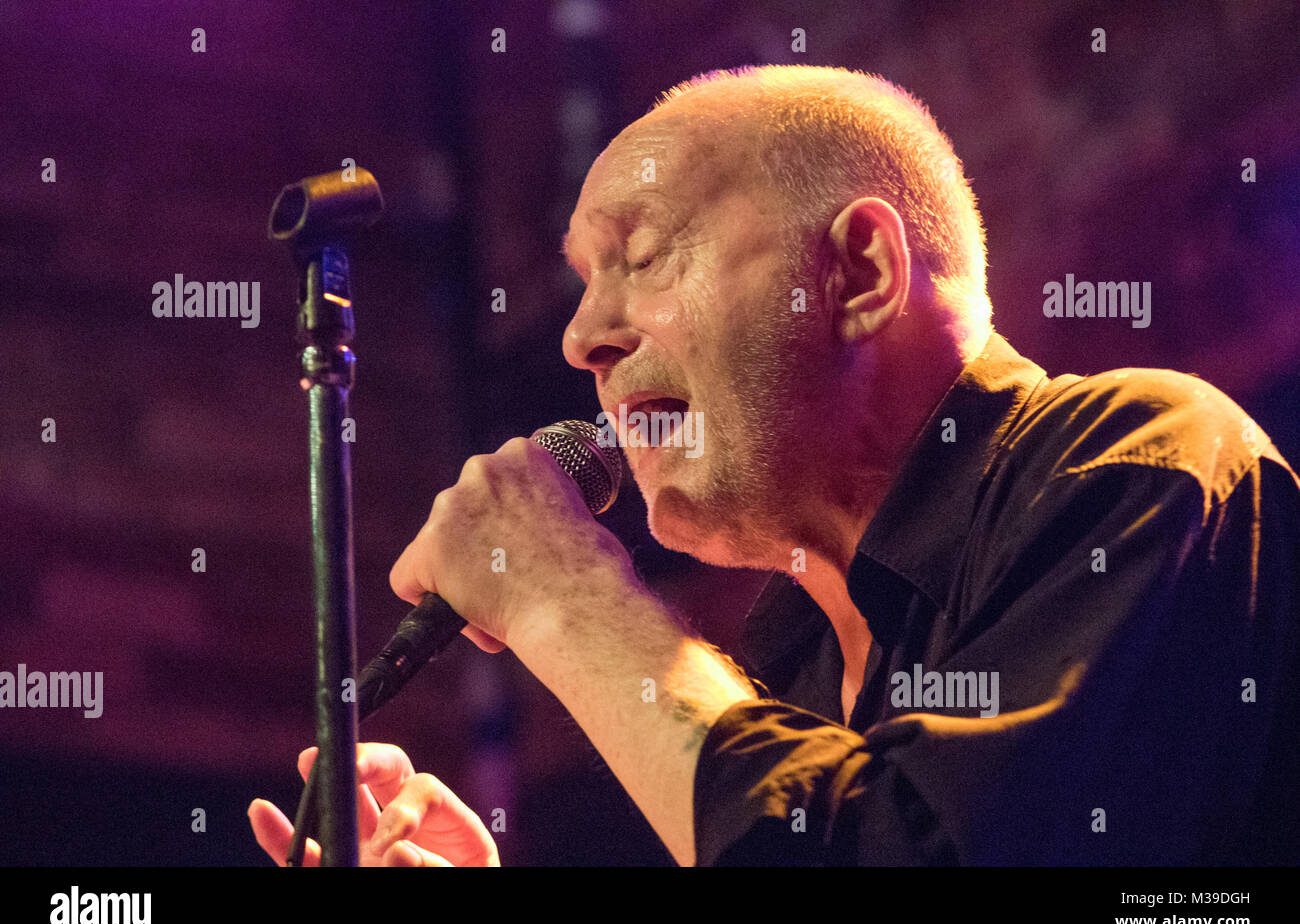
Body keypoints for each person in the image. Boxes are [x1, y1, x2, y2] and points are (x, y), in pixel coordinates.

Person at [249, 65, 1300, 866]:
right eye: (582, 280)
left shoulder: (1140, 461)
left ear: (861, 273)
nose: (582, 337)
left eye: (645, 255)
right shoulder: (793, 665)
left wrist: (565, 593)